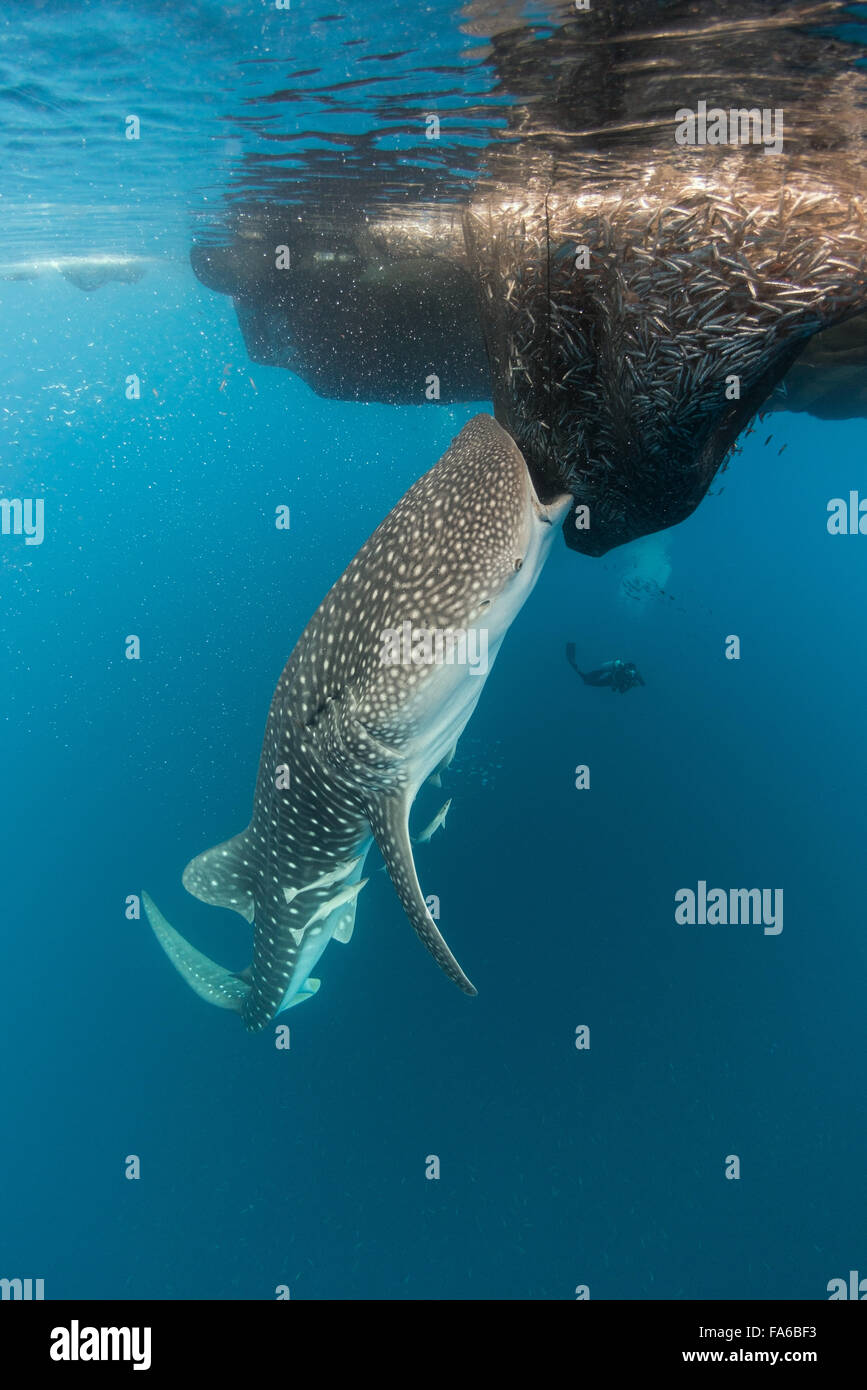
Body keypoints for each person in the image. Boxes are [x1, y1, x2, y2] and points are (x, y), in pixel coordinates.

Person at [566, 644, 645, 693]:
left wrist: (631, 685)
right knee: (588, 680)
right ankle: (572, 655)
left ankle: (571, 654)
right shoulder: (626, 672)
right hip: (610, 678)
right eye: (629, 671)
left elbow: (622, 691)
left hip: (610, 680)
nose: (629, 672)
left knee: (588, 680)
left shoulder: (632, 678)